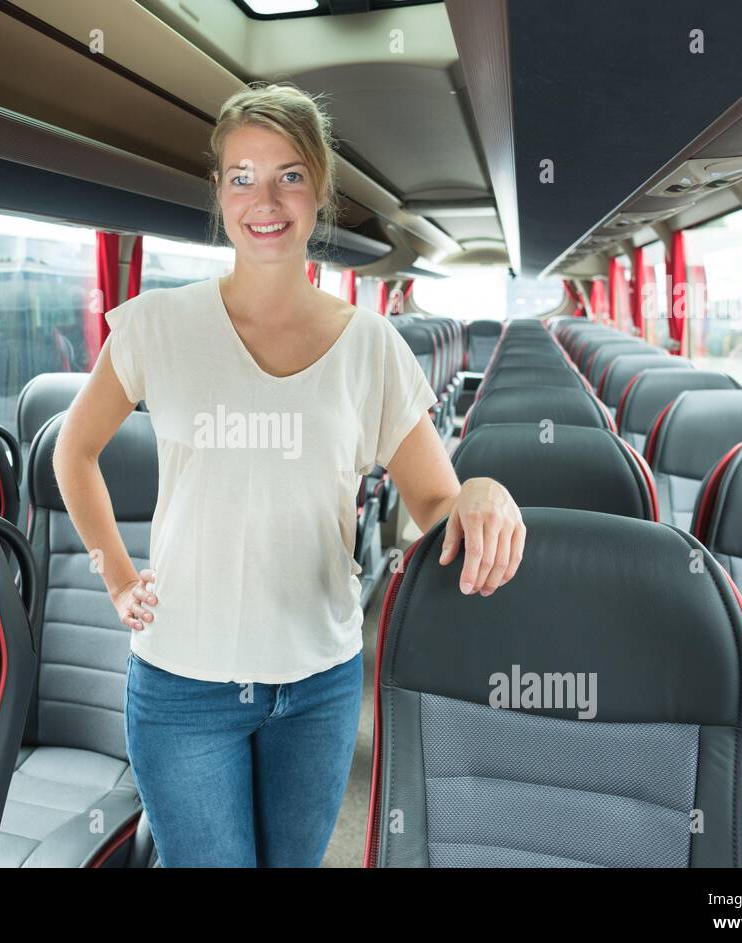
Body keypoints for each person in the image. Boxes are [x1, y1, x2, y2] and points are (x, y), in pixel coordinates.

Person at [52, 81, 525, 867]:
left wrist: (482, 489)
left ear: (320, 191)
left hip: (319, 684)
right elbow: (73, 451)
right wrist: (115, 573)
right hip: (182, 684)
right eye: (242, 175)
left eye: (289, 176)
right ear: (218, 191)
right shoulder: (159, 325)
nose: (263, 199)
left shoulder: (372, 346)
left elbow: (437, 500)